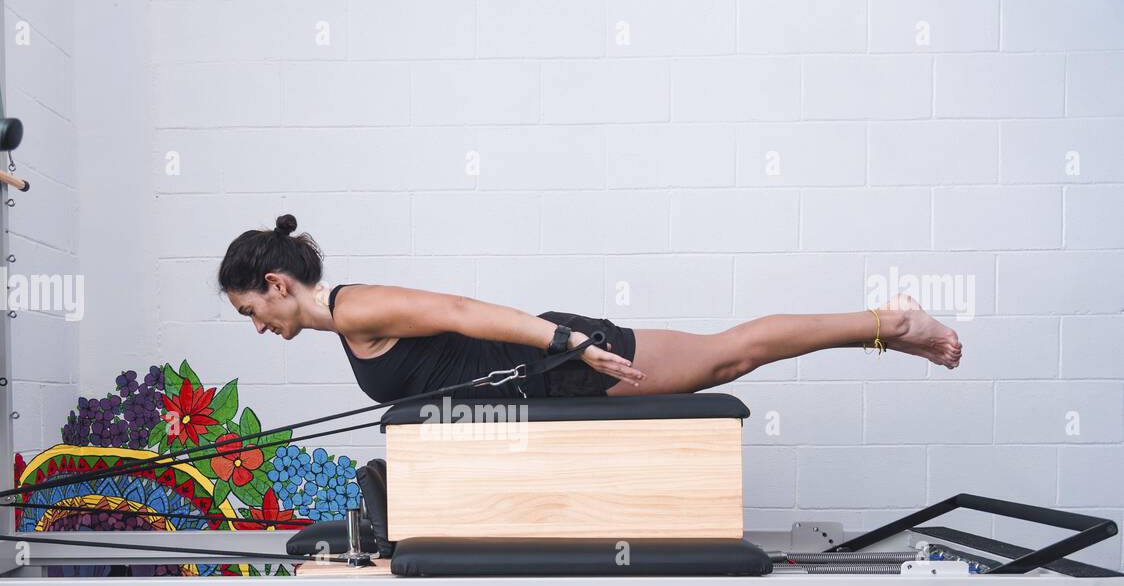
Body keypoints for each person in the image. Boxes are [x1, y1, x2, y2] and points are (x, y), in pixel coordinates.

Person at [218, 215, 962, 404]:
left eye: (252, 307)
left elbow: (462, 309)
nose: (257, 325)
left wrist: (569, 341)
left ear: (278, 283)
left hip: (561, 364)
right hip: (543, 386)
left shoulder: (353, 309)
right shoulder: (343, 326)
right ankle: (885, 330)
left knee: (728, 355)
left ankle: (891, 323)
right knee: (726, 355)